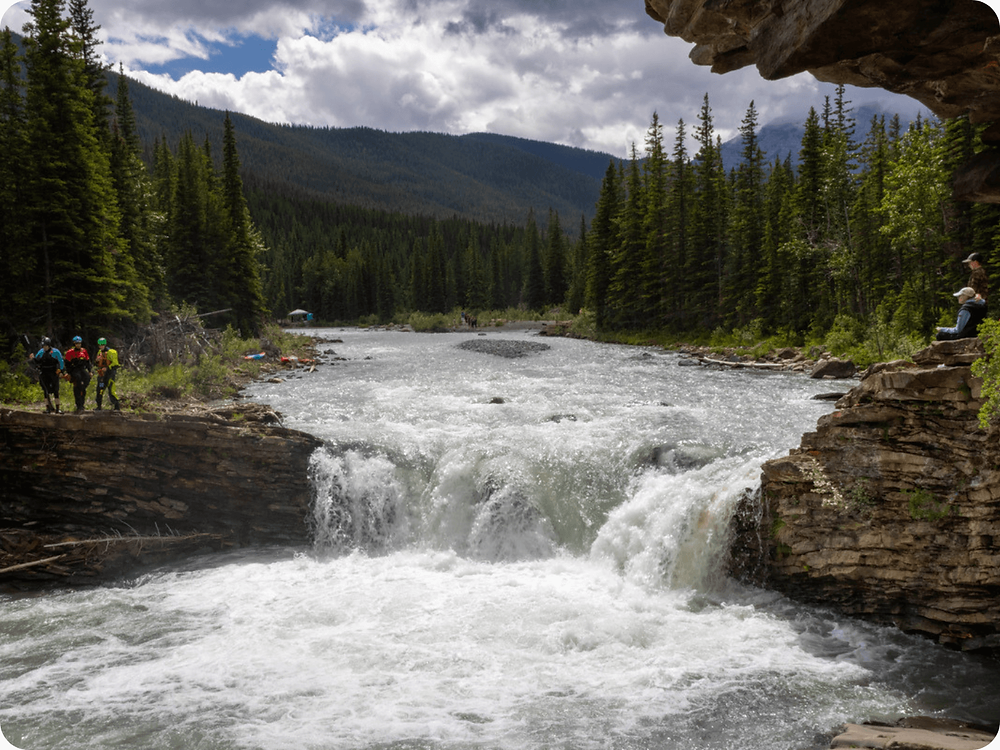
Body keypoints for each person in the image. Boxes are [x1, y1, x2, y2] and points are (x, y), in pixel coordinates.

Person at [29, 337, 64, 413]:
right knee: (45, 391)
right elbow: (37, 362)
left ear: (49, 345)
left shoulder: (55, 352)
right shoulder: (41, 352)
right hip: (44, 373)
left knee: (56, 390)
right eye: (43, 346)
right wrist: (33, 359)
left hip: (53, 373)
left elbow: (61, 361)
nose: (44, 347)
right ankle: (48, 408)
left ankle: (58, 408)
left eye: (45, 346)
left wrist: (61, 370)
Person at [63, 335, 92, 412]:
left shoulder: (84, 351)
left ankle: (82, 402)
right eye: (77, 343)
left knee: (86, 379)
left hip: (82, 369)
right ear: (74, 344)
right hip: (74, 370)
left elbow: (88, 362)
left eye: (79, 343)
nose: (78, 345)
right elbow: (67, 364)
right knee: (78, 383)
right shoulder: (70, 352)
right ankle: (79, 405)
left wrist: (90, 371)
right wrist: (68, 373)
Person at [94, 337, 121, 411]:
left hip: (110, 374)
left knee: (111, 390)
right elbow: (97, 363)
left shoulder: (111, 352)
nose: (101, 346)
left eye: (102, 344)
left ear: (105, 344)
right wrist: (97, 361)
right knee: (100, 390)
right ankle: (98, 406)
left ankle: (116, 407)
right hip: (102, 375)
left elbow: (115, 364)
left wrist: (107, 368)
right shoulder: (99, 352)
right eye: (100, 345)